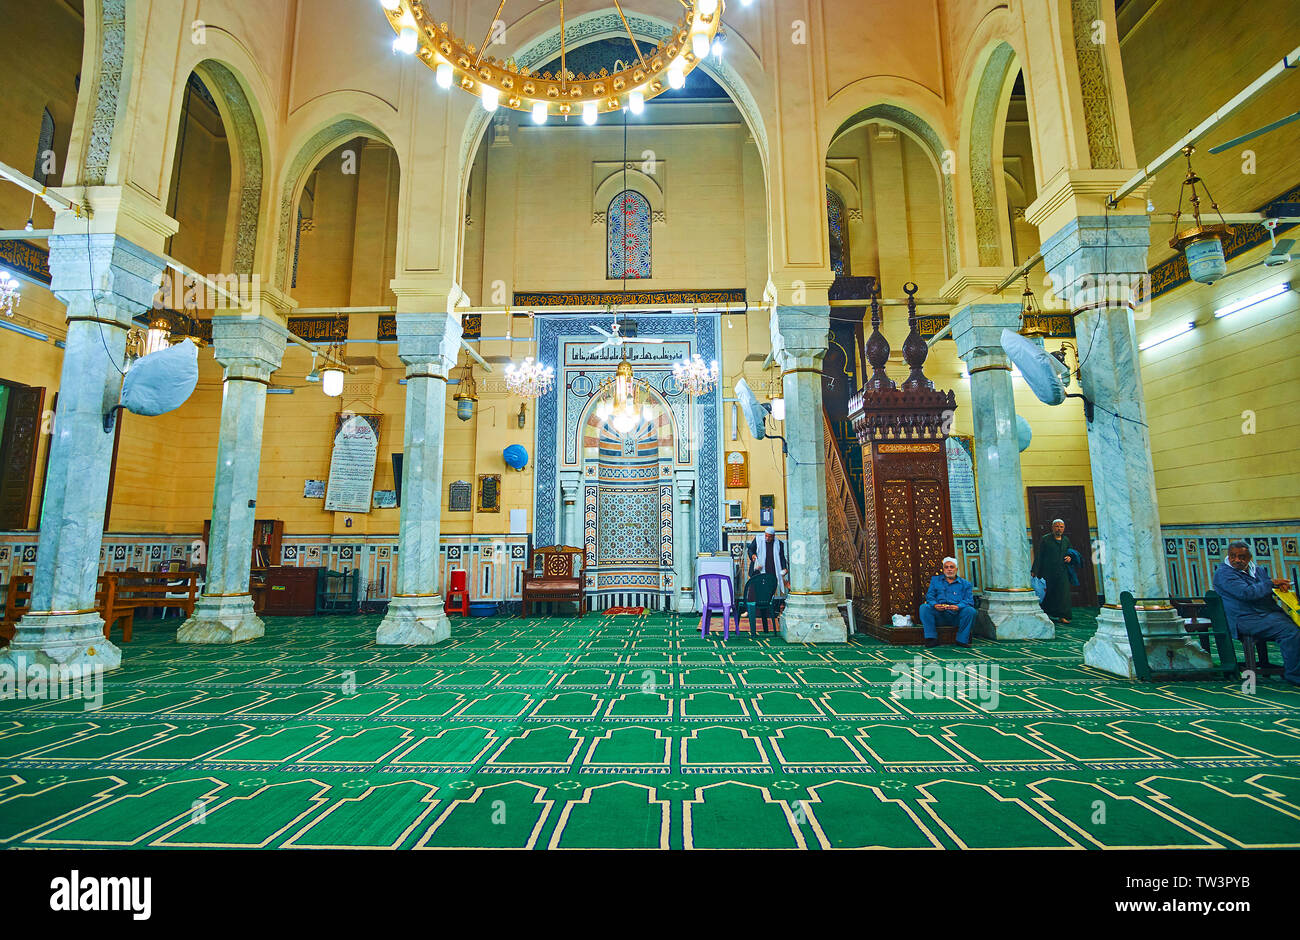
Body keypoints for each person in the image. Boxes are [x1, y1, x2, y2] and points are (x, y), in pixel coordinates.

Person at [1213, 541, 1299, 686]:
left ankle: (1293, 669)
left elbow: (1265, 590)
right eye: (1232, 556)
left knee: (1295, 624)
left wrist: (1279, 586)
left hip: (1264, 614)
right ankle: (1294, 675)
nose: (1237, 560)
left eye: (1242, 557)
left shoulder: (1257, 570)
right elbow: (1246, 593)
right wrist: (1271, 583)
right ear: (1228, 555)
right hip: (1244, 618)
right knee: (1290, 632)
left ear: (1249, 557)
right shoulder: (1224, 574)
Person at [919, 557, 977, 648]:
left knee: (970, 611)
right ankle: (931, 638)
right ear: (943, 569)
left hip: (956, 615)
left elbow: (969, 601)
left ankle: (962, 640)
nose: (949, 569)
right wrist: (935, 605)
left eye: (951, 567)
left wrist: (958, 606)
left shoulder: (966, 584)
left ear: (956, 569)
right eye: (946, 567)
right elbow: (930, 596)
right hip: (940, 614)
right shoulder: (935, 581)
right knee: (924, 608)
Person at [1032, 519, 1075, 624]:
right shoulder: (1045, 539)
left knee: (1063, 594)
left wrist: (1070, 557)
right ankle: (1047, 614)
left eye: (1061, 527)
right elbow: (1039, 555)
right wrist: (1035, 570)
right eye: (1057, 526)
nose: (1059, 529)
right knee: (1049, 593)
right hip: (1048, 571)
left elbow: (1071, 552)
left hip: (1062, 571)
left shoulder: (1066, 540)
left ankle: (1063, 616)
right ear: (1052, 527)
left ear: (1064, 528)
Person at [747, 526, 789, 614]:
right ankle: (750, 611)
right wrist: (753, 556)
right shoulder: (758, 539)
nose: (767, 538)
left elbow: (781, 557)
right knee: (754, 589)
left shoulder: (779, 543)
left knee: (768, 590)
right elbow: (750, 549)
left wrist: (784, 568)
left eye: (769, 536)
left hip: (771, 570)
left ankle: (765, 611)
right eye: (766, 536)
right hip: (758, 570)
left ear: (773, 536)